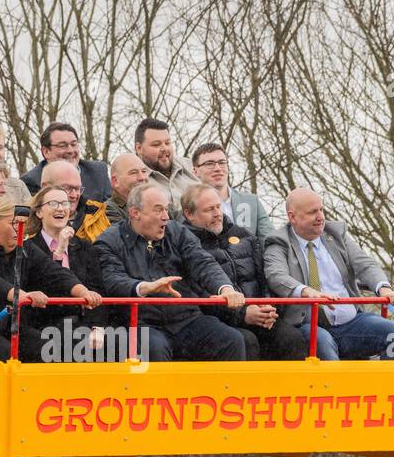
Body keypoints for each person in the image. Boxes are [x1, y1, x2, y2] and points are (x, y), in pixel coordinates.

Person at [0, 197, 102, 448]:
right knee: (1, 352)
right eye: (12, 224)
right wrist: (22, 296)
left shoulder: (25, 251)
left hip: (12, 327)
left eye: (22, 224)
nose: (20, 230)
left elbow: (53, 274)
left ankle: (43, 417)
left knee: (49, 346)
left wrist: (82, 291)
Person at [94, 181, 247, 362]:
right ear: (135, 213)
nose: (166, 216)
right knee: (152, 349)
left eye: (167, 209)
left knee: (231, 340)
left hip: (186, 319)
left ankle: (223, 391)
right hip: (142, 323)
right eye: (158, 210)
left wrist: (225, 288)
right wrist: (146, 288)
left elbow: (203, 262)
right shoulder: (109, 241)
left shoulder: (177, 232)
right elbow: (113, 280)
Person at [264, 188, 394, 361]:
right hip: (310, 326)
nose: (320, 216)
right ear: (293, 217)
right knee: (321, 344)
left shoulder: (336, 233)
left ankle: (393, 388)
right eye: (312, 212)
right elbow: (276, 276)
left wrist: (384, 288)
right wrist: (307, 292)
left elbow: (365, 264)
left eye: (321, 209)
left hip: (351, 323)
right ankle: (338, 389)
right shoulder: (279, 241)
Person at [177, 183, 304, 360]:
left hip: (259, 314)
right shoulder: (184, 246)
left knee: (291, 338)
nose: (217, 214)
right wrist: (242, 315)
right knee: (246, 341)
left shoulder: (244, 235)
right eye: (209, 210)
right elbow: (197, 296)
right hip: (222, 321)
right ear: (189, 214)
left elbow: (264, 277)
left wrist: (268, 306)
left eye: (218, 207)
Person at [25, 184, 109, 358]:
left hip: (82, 321)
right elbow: (46, 283)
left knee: (119, 343)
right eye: (53, 204)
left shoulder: (84, 246)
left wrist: (97, 328)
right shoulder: (29, 247)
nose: (61, 209)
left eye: (65, 204)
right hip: (45, 323)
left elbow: (98, 289)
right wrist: (59, 251)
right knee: (74, 341)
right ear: (39, 212)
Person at [191, 143, 273, 241]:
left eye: (222, 162)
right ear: (195, 171)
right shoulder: (190, 207)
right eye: (209, 164)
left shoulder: (252, 202)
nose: (218, 168)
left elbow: (271, 240)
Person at [21, 121, 112, 201]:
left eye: (74, 144)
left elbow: (109, 213)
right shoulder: (31, 181)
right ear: (46, 152)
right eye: (62, 145)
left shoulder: (98, 172)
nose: (70, 151)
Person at [133, 118, 198, 215]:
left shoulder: (190, 166)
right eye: (156, 144)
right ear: (139, 148)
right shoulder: (134, 179)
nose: (165, 148)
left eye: (167, 143)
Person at [40, 160, 109, 242]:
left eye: (77, 189)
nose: (74, 195)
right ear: (45, 187)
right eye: (67, 188)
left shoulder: (97, 214)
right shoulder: (25, 220)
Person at [104, 152, 150, 226]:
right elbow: (127, 235)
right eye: (133, 172)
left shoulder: (160, 202)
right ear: (115, 181)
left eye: (144, 171)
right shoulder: (108, 211)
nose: (142, 177)